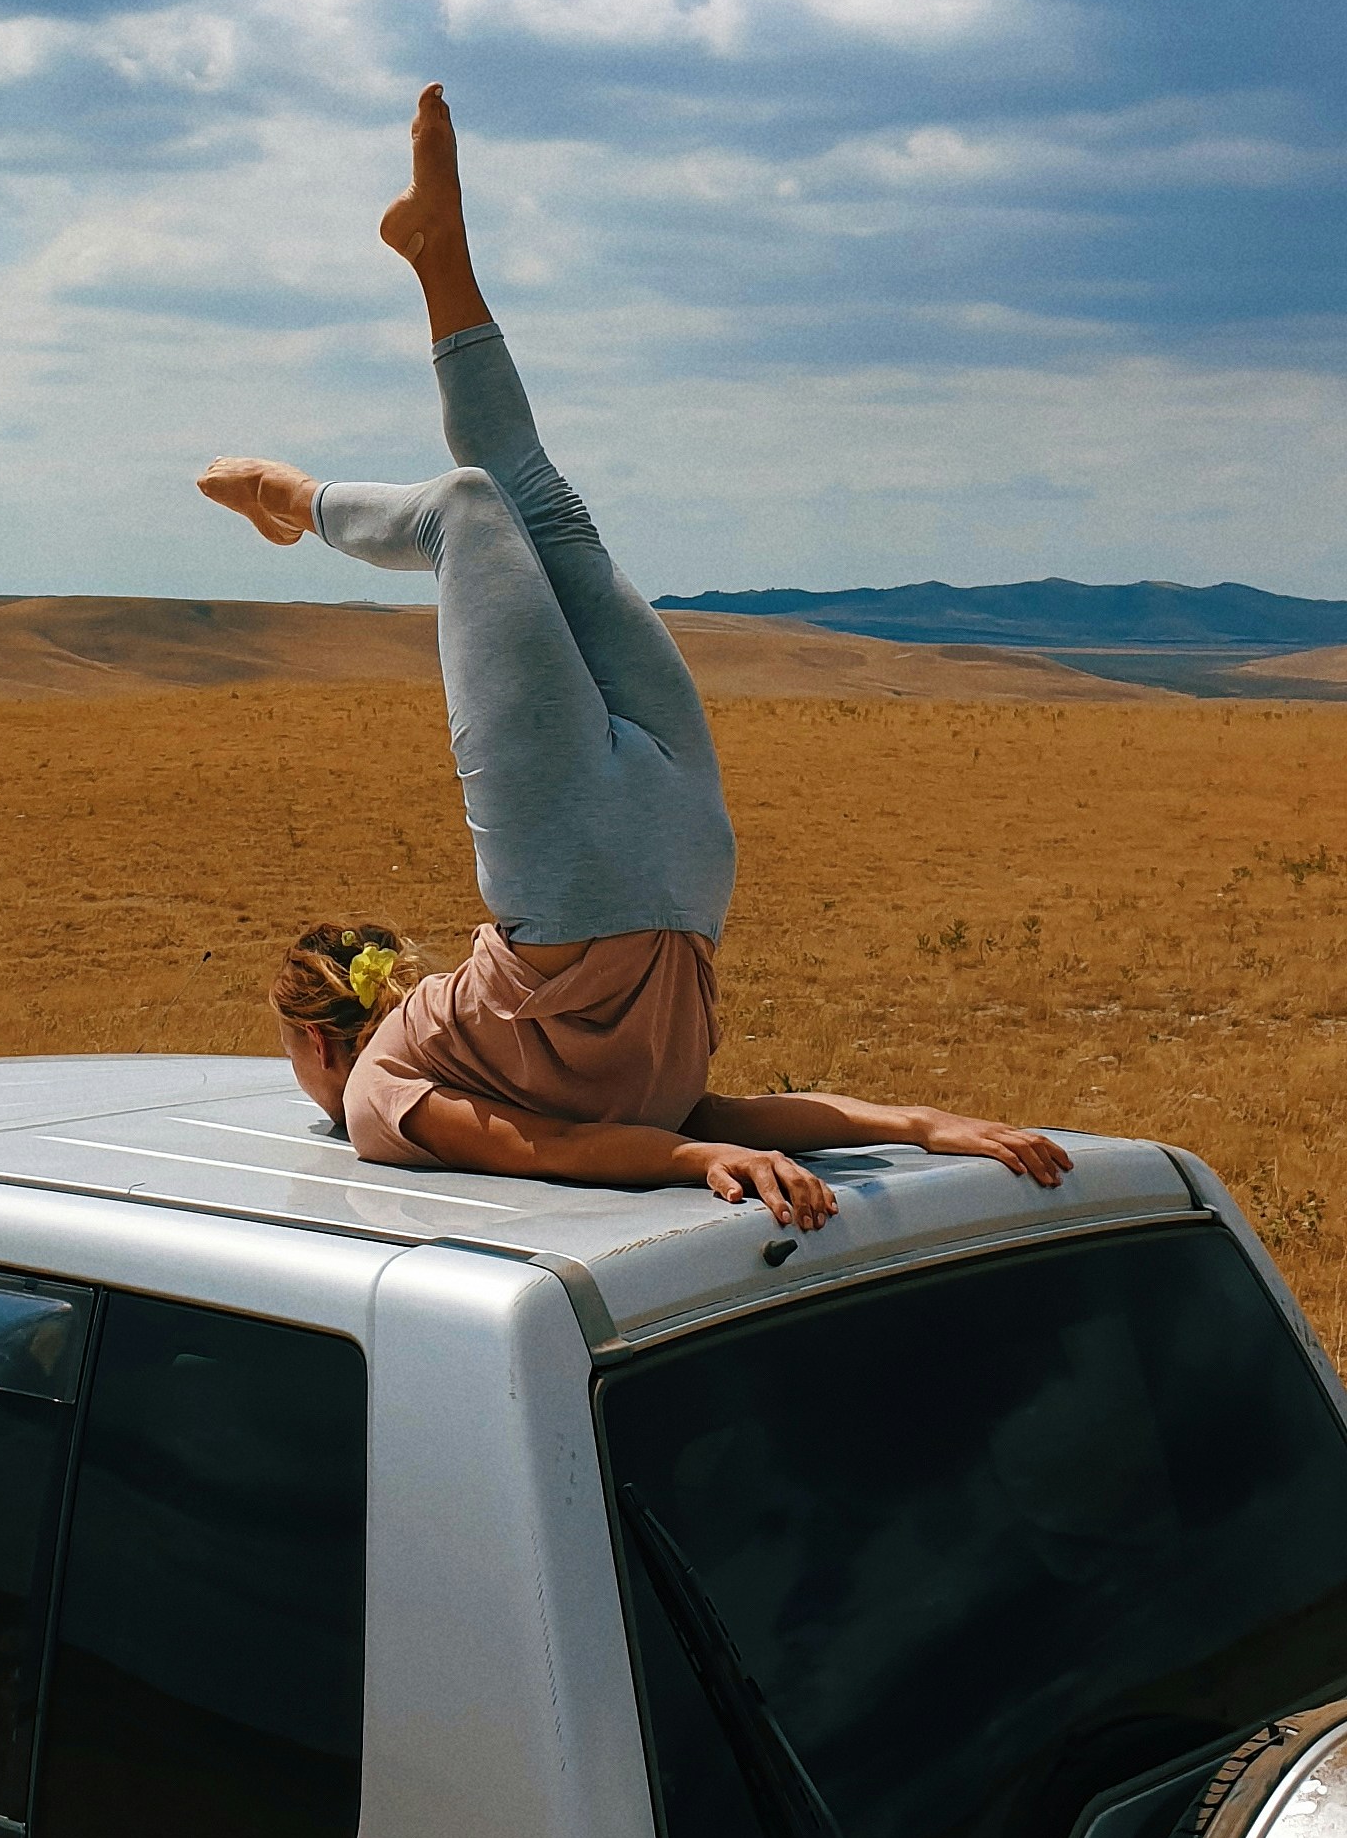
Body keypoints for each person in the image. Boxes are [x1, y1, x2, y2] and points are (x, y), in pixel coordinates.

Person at [198, 87, 1070, 1232]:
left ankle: (399, 315)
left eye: (301, 1068)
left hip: (635, 875)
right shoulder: (487, 1086)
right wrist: (912, 1124)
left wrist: (690, 1157)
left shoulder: (379, 1092)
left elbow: (566, 1141)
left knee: (493, 506)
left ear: (322, 1040)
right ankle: (321, 440)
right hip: (658, 877)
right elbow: (706, 1118)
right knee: (515, 508)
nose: (317, 1095)